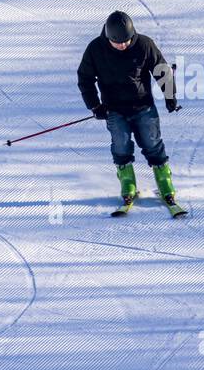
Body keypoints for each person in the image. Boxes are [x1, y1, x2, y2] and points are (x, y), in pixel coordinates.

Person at [77, 11, 185, 216]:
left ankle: (164, 182)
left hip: (143, 106)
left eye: (127, 41)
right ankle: (127, 183)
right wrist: (95, 106)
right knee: (121, 144)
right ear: (108, 37)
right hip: (114, 109)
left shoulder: (144, 44)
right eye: (118, 42)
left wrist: (170, 97)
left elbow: (162, 70)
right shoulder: (95, 49)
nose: (123, 45)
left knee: (152, 142)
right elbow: (85, 78)